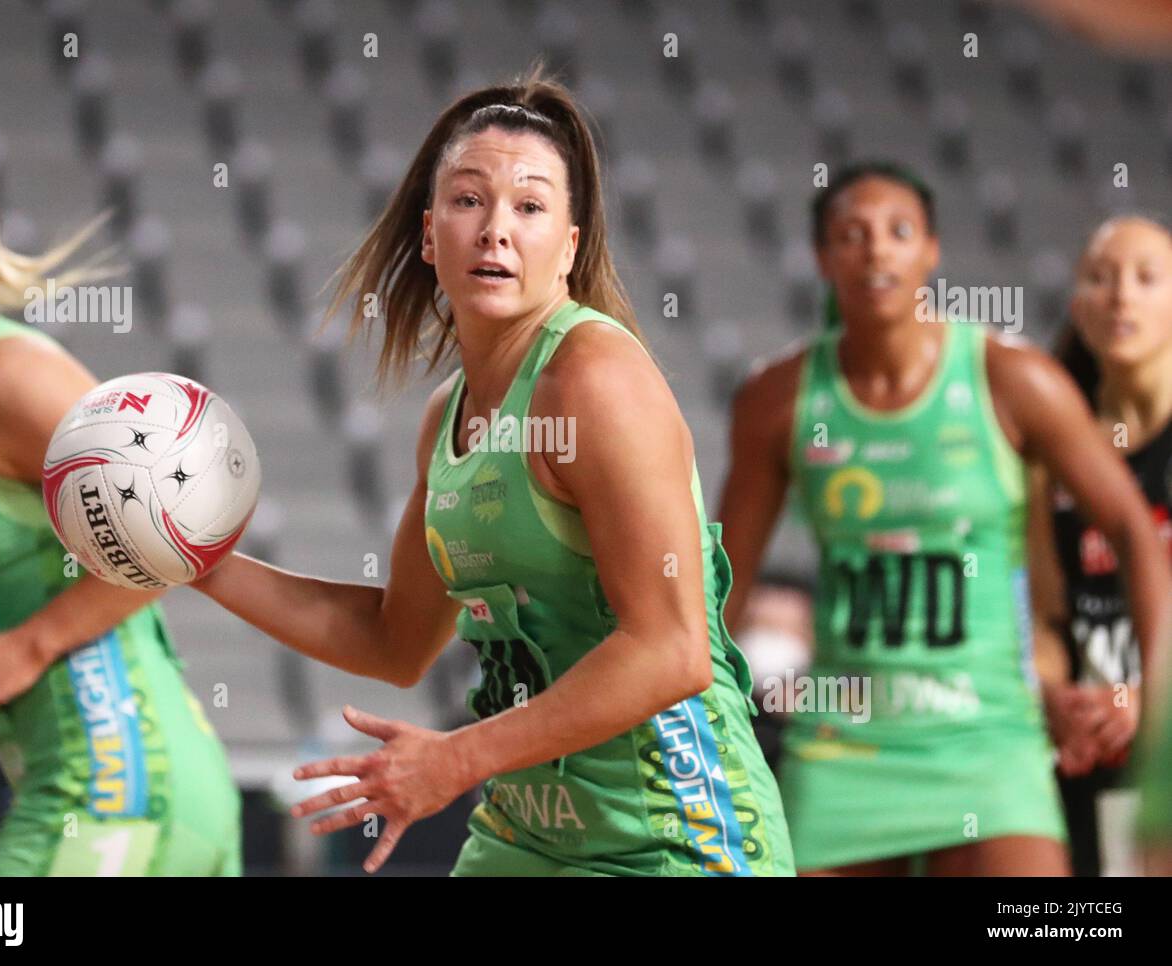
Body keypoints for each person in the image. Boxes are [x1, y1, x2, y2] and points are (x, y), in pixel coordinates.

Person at [192, 68, 794, 876]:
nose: (496, 229)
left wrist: (456, 759)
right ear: (429, 234)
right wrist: (195, 562)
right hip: (526, 833)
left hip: (674, 835)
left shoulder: (594, 379)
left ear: (570, 248)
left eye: (531, 206)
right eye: (470, 200)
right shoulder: (448, 417)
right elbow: (393, 639)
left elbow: (672, 649)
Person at [717, 161, 1171, 875]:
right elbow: (723, 592)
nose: (876, 250)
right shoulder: (777, 401)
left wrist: (1160, 699)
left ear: (931, 250)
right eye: (852, 234)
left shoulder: (1017, 380)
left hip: (988, 745)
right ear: (821, 256)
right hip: (845, 749)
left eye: (898, 231)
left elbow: (1133, 533)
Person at [0, 151, 240, 875]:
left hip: (121, 790)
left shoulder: (7, 373)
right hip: (101, 794)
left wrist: (29, 646)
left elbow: (186, 515)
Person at [1033, 215, 1172, 874]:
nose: (1121, 296)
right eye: (1101, 277)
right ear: (1077, 306)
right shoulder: (1047, 454)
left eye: (1147, 278)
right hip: (1085, 746)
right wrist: (1053, 694)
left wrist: (1151, 694)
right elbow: (1043, 611)